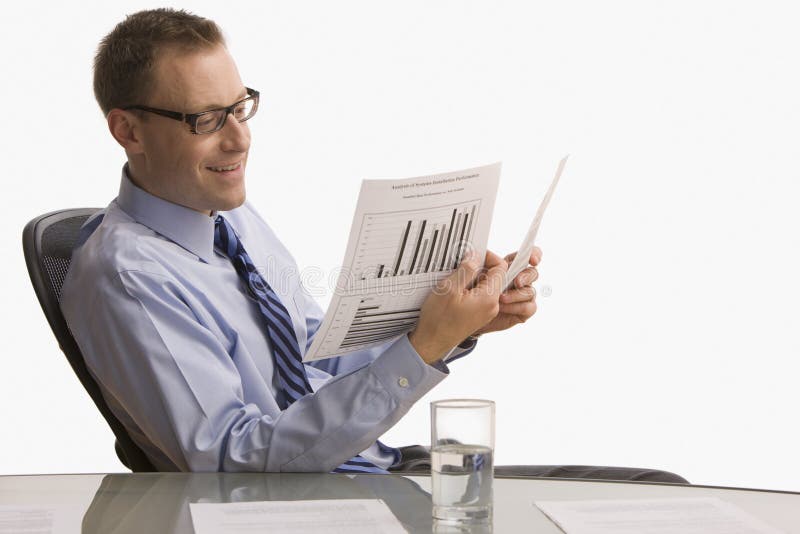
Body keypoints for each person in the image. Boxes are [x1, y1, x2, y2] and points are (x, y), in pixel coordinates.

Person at [62, 8, 686, 483]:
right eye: (205, 119)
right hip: (321, 504)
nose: (238, 140)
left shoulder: (231, 218)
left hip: (378, 471)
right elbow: (234, 460)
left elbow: (314, 362)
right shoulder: (126, 273)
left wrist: (453, 321)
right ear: (128, 130)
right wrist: (425, 345)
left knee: (659, 492)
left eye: (241, 107)